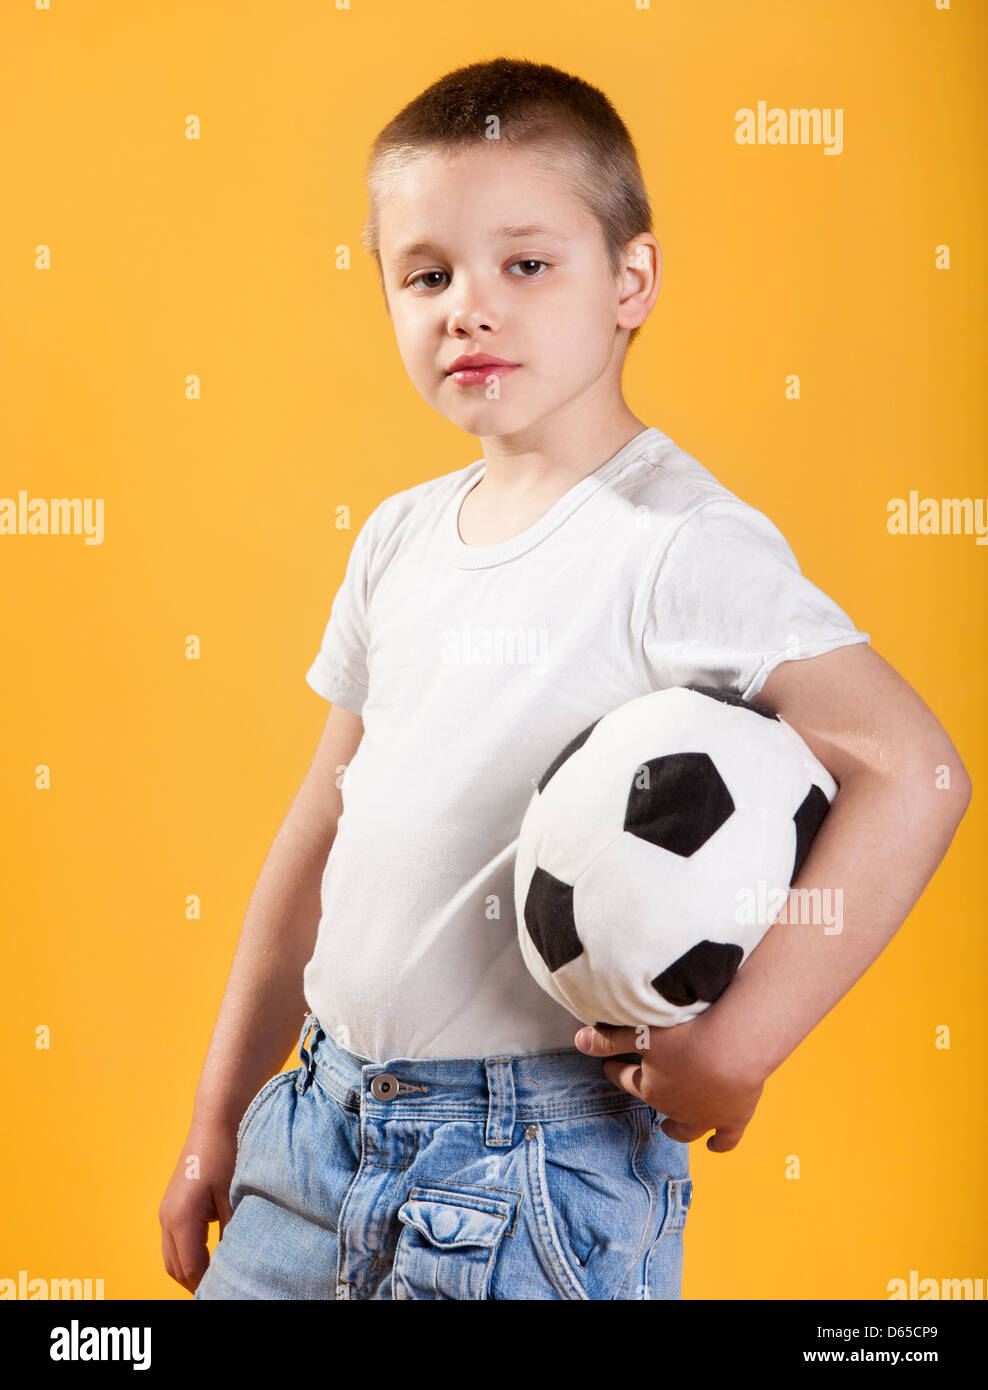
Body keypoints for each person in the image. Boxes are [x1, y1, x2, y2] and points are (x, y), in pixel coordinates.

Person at [159, 57, 971, 1301]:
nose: (467, 309)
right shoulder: (397, 536)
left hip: (529, 1163)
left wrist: (741, 1045)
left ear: (629, 282)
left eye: (524, 265)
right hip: (313, 1126)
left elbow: (911, 768)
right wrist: (221, 1114)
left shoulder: (676, 543)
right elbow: (323, 823)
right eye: (426, 274)